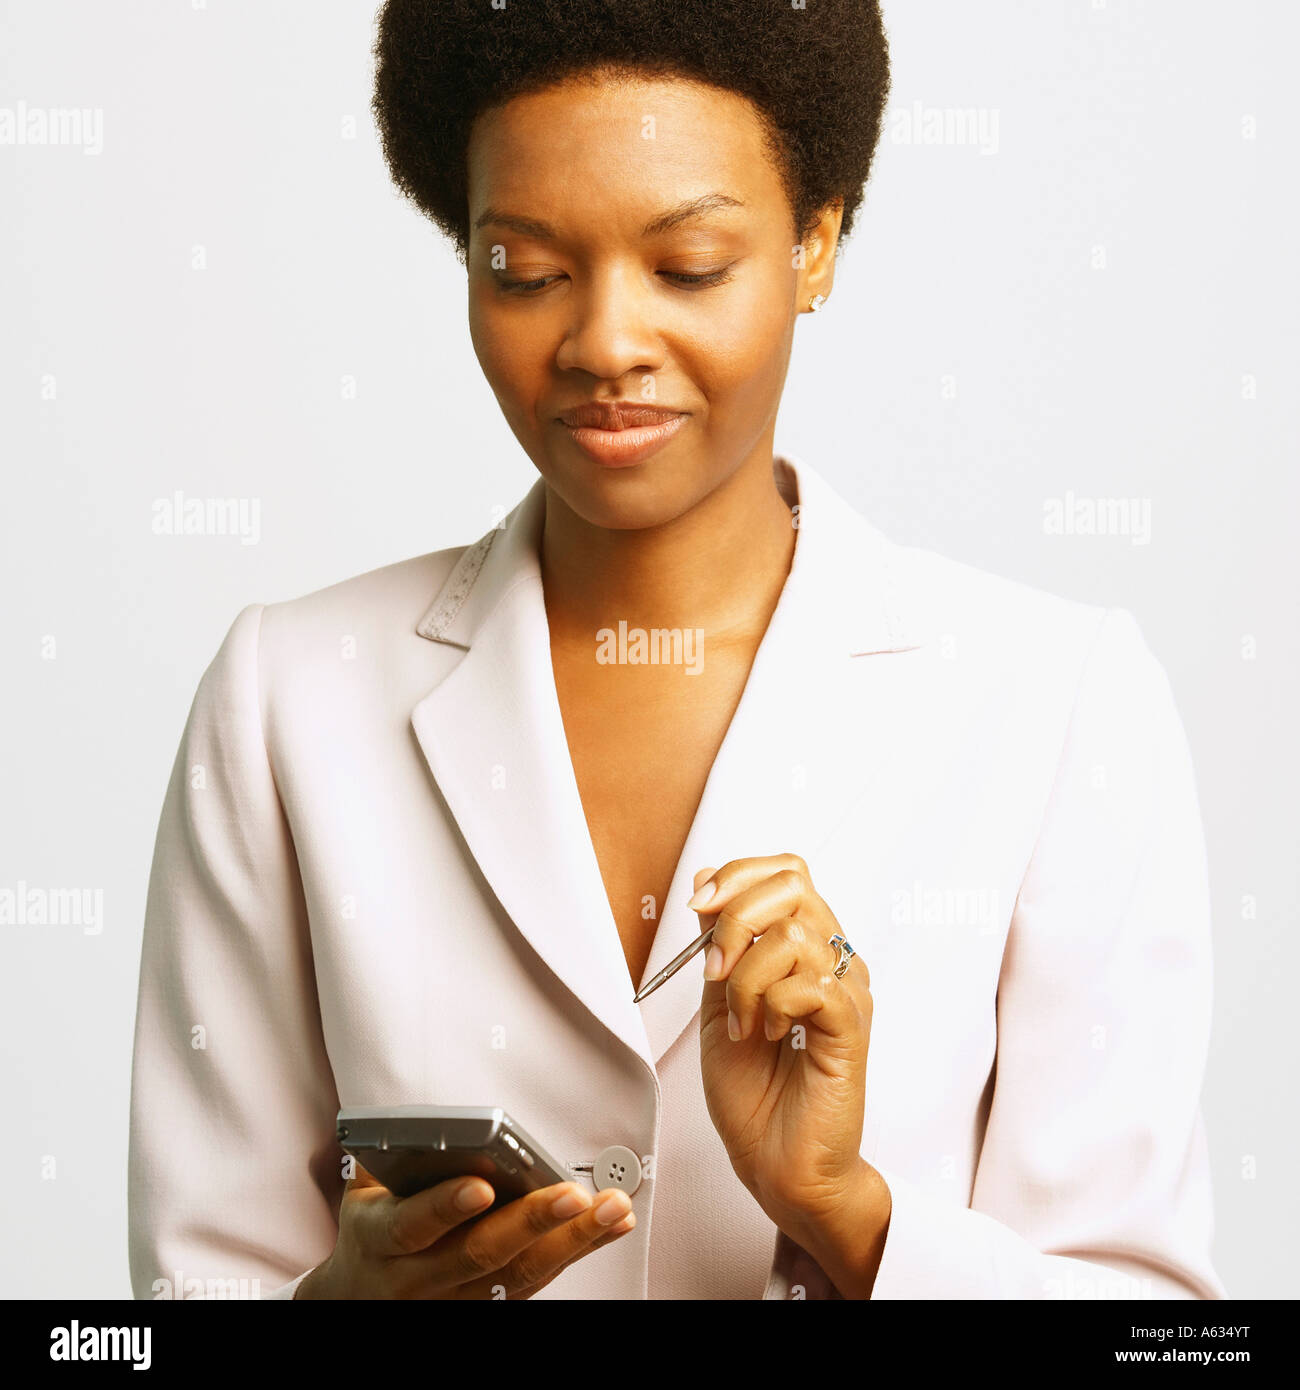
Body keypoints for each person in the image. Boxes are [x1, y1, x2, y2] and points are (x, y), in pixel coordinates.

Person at [128, 0, 1224, 1299]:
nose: (603, 344)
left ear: (816, 243)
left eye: (690, 264)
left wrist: (852, 1215)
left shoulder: (1059, 706)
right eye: (523, 269)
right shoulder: (286, 701)